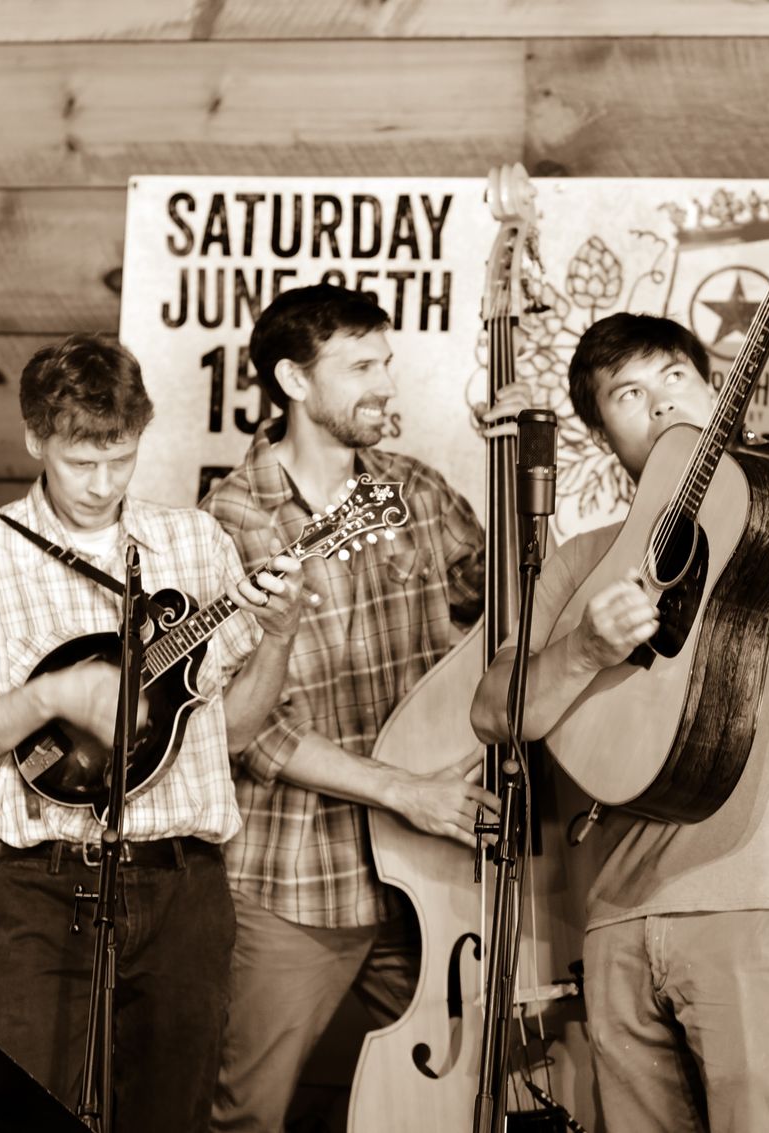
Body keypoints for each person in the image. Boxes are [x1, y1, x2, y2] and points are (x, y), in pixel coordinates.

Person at [470, 202, 769, 1133]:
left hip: (761, 904)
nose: (661, 403)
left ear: (716, 387)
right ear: (603, 435)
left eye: (676, 377)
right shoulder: (582, 559)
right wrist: (584, 647)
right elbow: (497, 709)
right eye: (628, 395)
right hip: (610, 918)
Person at [0, 334, 303, 1131]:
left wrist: (281, 636)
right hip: (43, 884)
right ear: (35, 440)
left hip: (184, 886)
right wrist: (53, 694)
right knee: (22, 1117)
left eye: (120, 460)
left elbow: (230, 735)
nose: (101, 485)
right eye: (79, 462)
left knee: (172, 1117)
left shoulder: (194, 544)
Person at [202, 283, 502, 1132]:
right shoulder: (230, 517)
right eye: (361, 365)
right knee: (246, 1112)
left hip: (431, 876)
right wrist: (407, 790)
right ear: (294, 381)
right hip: (301, 878)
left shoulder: (414, 487)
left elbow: (516, 612)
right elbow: (248, 732)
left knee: (461, 1094)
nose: (385, 385)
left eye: (387, 363)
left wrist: (521, 457)